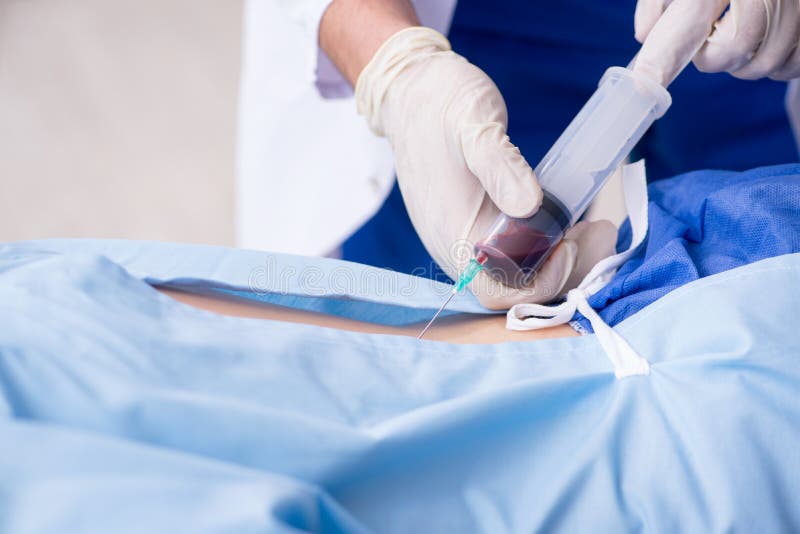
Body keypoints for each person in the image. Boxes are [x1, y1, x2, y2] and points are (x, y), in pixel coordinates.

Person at [265, 0, 799, 309]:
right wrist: (399, 68)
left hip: (748, 41)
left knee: (753, 277)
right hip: (489, 19)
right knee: (398, 301)